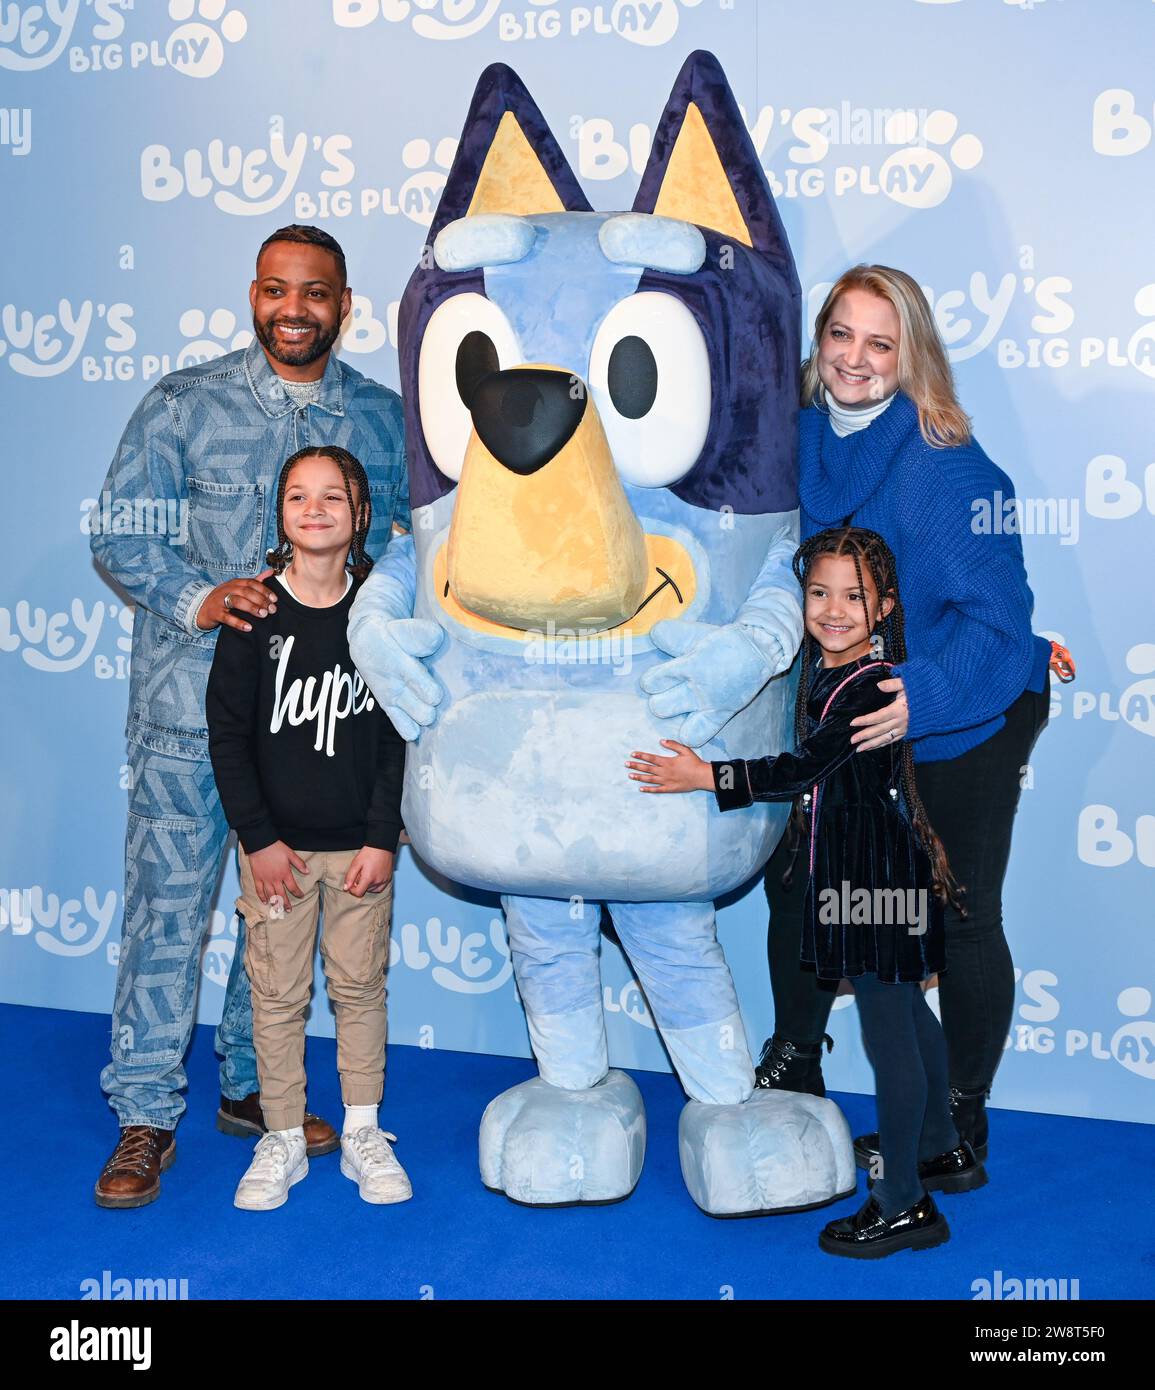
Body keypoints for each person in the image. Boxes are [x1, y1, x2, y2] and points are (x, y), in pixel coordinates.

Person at [89, 225, 409, 1208]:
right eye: (278, 290)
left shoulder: (384, 422)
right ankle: (146, 1114)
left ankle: (248, 1090)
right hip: (191, 719)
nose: (295, 309)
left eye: (316, 293)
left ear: (344, 304)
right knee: (167, 922)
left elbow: (405, 547)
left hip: (314, 734)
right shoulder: (184, 407)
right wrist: (201, 597)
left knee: (274, 924)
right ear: (255, 295)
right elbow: (119, 533)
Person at [754, 265, 1055, 1174]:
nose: (853, 358)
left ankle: (958, 1123)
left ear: (910, 357)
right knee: (804, 884)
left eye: (879, 342)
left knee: (955, 917)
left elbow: (1003, 626)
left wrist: (914, 697)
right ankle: (796, 1060)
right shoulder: (798, 437)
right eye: (839, 335)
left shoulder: (944, 462)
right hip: (856, 708)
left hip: (965, 711)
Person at [627, 527, 984, 1257]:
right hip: (875, 870)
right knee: (905, 1012)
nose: (831, 609)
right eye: (818, 592)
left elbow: (799, 769)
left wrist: (706, 775)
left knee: (888, 1036)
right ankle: (942, 1149)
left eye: (852, 597)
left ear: (884, 606)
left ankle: (902, 1204)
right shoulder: (834, 675)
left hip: (873, 880)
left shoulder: (871, 687)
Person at [207, 446, 410, 1210]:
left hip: (359, 850)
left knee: (359, 989)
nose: (316, 508)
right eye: (299, 496)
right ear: (281, 513)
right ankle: (283, 1135)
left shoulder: (379, 615)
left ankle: (362, 1130)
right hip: (277, 857)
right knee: (278, 993)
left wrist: (382, 836)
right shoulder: (253, 613)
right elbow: (227, 735)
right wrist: (256, 839)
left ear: (360, 513)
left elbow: (398, 733)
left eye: (335, 496)